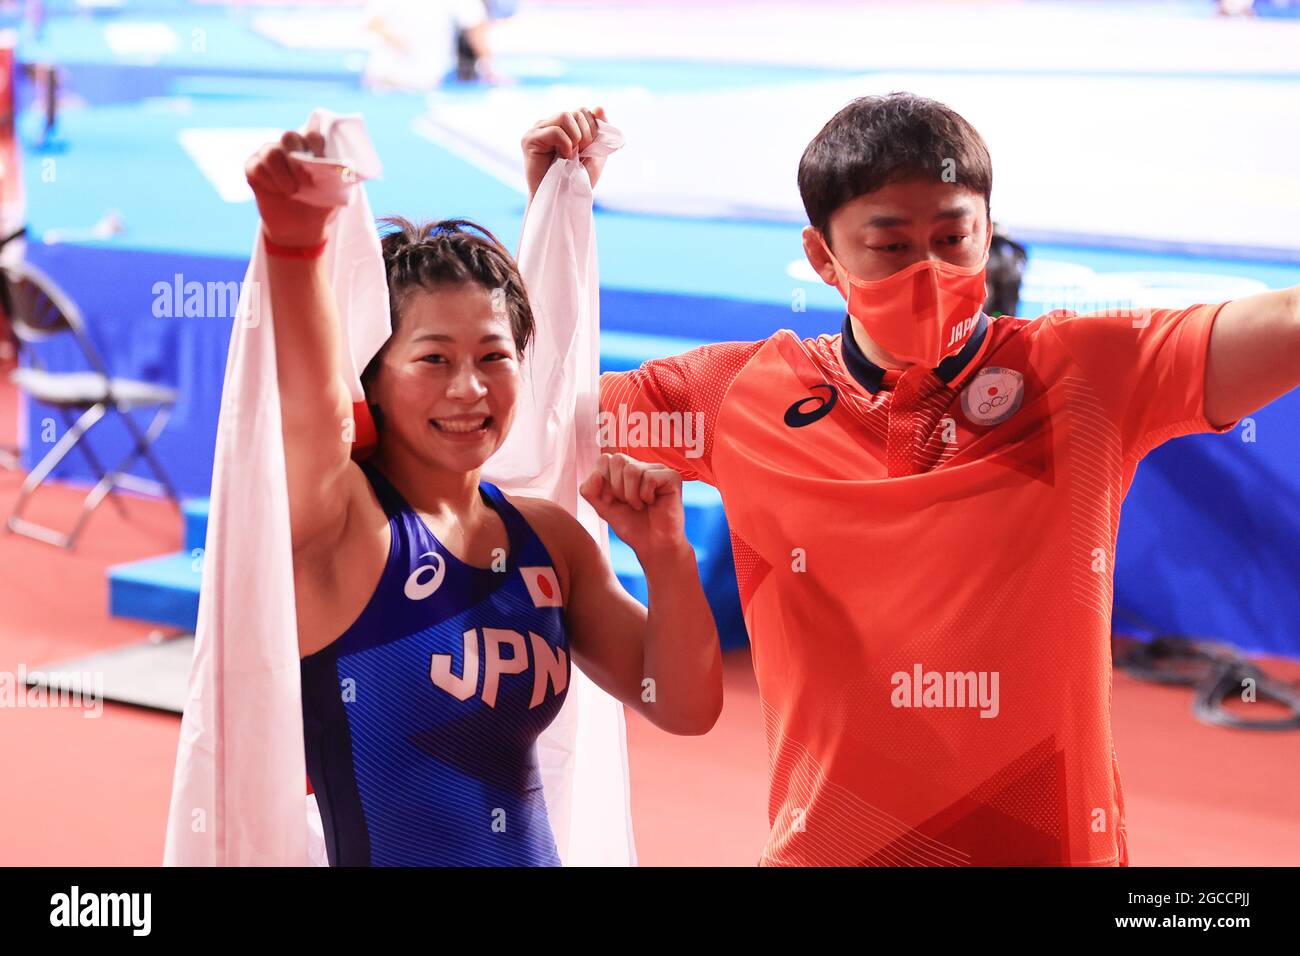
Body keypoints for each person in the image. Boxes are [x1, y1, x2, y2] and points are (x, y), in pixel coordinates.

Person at [524, 94, 1300, 865]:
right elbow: (525, 411)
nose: (929, 270)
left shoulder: (1089, 372)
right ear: (822, 257)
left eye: (953, 237)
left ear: (987, 231)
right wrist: (550, 225)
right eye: (890, 246)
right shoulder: (733, 396)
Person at [243, 121, 722, 866]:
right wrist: (296, 244)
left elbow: (685, 707)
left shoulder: (548, 539)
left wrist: (666, 555)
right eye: (432, 358)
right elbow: (310, 409)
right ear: (373, 374)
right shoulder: (345, 530)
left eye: (493, 356)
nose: (468, 389)